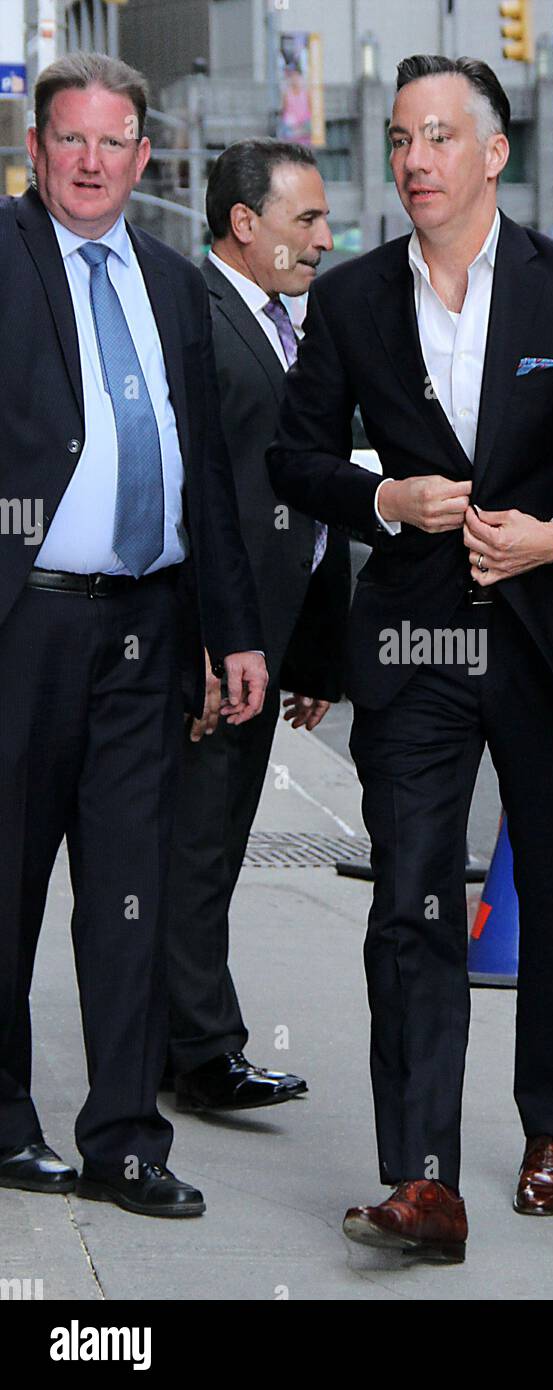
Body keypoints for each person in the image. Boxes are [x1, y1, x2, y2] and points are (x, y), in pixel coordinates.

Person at [267, 54, 553, 1262]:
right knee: (408, 899)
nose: (413, 160)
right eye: (400, 139)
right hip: (413, 640)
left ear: (493, 153)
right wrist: (382, 497)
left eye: (438, 137)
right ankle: (423, 1178)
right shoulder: (349, 300)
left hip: (551, 639)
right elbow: (292, 460)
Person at [0, 54, 267, 1219]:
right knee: (6, 889)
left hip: (147, 635)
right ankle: (5, 1124)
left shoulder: (171, 284)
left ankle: (122, 1141)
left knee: (129, 893)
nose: (92, 162)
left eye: (115, 142)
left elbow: (205, 465)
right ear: (37, 145)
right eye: (71, 140)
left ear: (145, 157)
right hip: (26, 627)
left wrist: (233, 630)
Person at [162, 139, 349, 1113]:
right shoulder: (193, 319)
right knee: (195, 844)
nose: (324, 237)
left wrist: (312, 650)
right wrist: (202, 638)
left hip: (272, 641)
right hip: (213, 646)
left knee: (218, 843)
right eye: (306, 220)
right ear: (245, 223)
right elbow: (189, 498)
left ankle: (178, 1040)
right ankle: (201, 1052)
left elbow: (304, 496)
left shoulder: (293, 329)